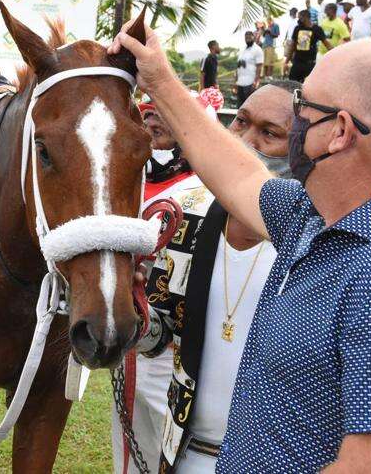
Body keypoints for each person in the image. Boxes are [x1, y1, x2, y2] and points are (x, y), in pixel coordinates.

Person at [108, 24, 371, 472]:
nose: (294, 121)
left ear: (340, 131)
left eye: (303, 107)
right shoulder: (320, 216)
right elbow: (241, 177)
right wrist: (160, 78)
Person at [135, 81, 298, 473]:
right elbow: (161, 335)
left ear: (303, 151)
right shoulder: (183, 212)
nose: (243, 140)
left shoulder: (319, 237)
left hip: (272, 461)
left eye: (269, 133)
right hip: (183, 451)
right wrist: (131, 310)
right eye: (239, 122)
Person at [112, 91, 223, 474]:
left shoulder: (210, 189)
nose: (153, 122)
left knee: (169, 443)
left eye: (164, 116)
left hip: (175, 346)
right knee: (128, 442)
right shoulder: (124, 177)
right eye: (147, 114)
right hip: (130, 334)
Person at [289, 10, 331, 82]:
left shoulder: (317, 29)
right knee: (292, 84)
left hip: (310, 63)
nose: (298, 20)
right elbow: (292, 45)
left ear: (306, 17)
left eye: (300, 18)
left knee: (309, 86)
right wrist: (288, 59)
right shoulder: (297, 28)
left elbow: (327, 44)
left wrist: (336, 54)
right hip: (297, 62)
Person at [235, 30, 263, 106]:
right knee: (240, 108)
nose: (247, 38)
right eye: (246, 37)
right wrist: (235, 82)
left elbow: (259, 66)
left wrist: (256, 82)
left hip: (250, 83)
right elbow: (238, 66)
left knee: (249, 107)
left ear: (253, 37)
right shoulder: (242, 50)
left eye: (249, 37)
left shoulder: (257, 49)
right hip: (240, 83)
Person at [282, 7, 299, 76]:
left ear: (294, 12)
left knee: (293, 57)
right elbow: (288, 31)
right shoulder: (290, 21)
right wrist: (284, 39)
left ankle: (294, 71)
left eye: (291, 12)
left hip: (294, 41)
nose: (289, 13)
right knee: (287, 57)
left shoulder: (297, 21)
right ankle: (287, 72)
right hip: (288, 40)